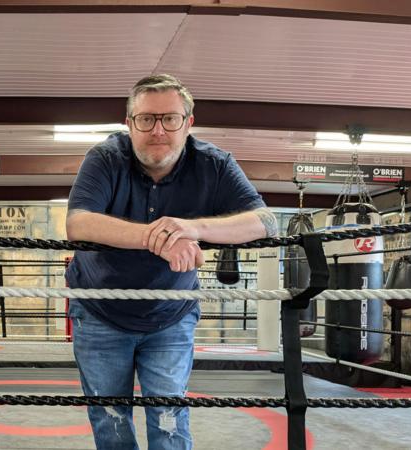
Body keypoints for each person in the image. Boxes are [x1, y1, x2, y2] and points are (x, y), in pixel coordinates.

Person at [65, 74, 276, 450]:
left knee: (169, 421)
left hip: (171, 315)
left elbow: (266, 222)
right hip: (99, 310)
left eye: (170, 119)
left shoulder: (214, 164)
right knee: (111, 422)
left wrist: (192, 228)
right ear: (129, 123)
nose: (158, 130)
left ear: (188, 122)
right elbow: (78, 223)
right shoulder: (106, 158)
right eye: (146, 119)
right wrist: (159, 239)